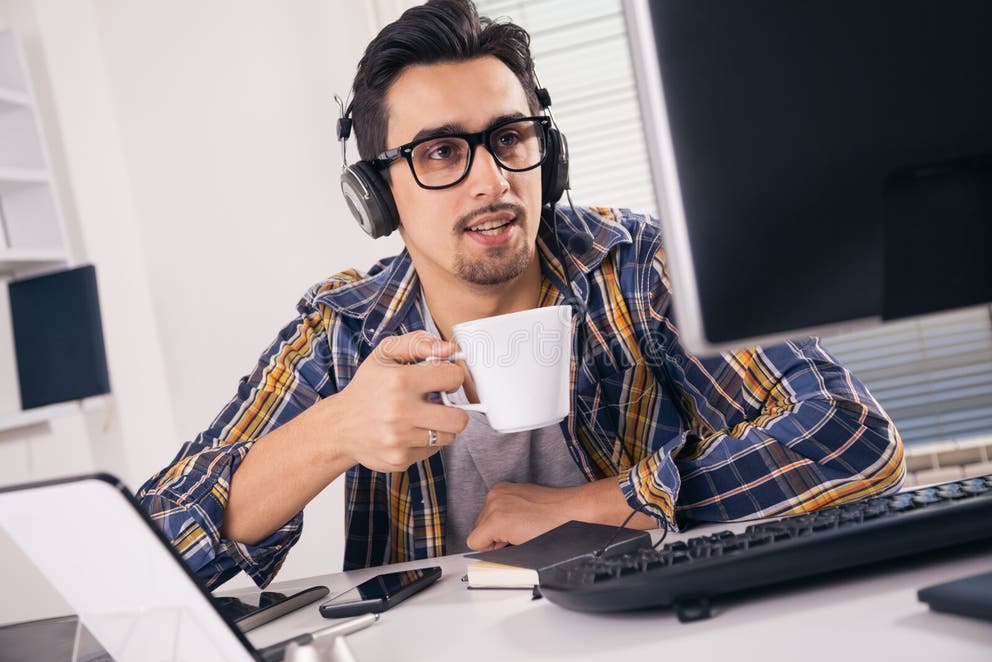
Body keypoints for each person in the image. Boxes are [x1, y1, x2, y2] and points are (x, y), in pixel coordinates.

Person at [138, 0, 905, 590]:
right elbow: (148, 549)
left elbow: (855, 438)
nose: (492, 180)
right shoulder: (346, 332)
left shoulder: (641, 265)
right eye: (441, 151)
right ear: (377, 197)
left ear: (548, 152)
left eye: (509, 137)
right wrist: (334, 432)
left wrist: (603, 503)